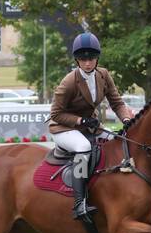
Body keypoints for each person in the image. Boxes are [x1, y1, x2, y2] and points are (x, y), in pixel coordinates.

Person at [48, 31, 133, 222]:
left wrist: (126, 120)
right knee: (83, 147)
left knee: (118, 140)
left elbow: (117, 102)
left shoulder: (103, 75)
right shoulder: (69, 81)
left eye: (91, 58)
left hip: (89, 126)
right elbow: (56, 114)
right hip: (64, 128)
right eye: (82, 59)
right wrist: (81, 121)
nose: (87, 63)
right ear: (77, 60)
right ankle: (79, 204)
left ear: (97, 58)